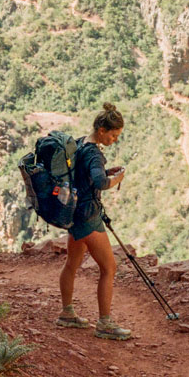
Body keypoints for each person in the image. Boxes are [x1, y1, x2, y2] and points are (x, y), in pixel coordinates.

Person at [57, 102, 132, 340]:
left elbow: (86, 175)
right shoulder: (94, 153)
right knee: (109, 268)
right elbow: (99, 183)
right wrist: (117, 178)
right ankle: (105, 323)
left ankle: (67, 313)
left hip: (73, 213)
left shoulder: (81, 143)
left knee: (72, 262)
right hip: (88, 216)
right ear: (102, 130)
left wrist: (105, 171)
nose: (114, 139)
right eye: (113, 135)